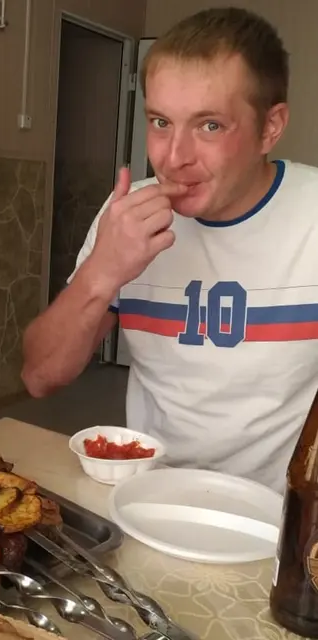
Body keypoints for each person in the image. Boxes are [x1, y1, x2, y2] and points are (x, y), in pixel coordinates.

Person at [21, 7, 318, 493]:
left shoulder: (312, 218)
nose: (174, 157)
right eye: (161, 122)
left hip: (274, 516)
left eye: (209, 126)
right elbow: (40, 377)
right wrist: (103, 271)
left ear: (270, 127)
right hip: (148, 497)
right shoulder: (126, 214)